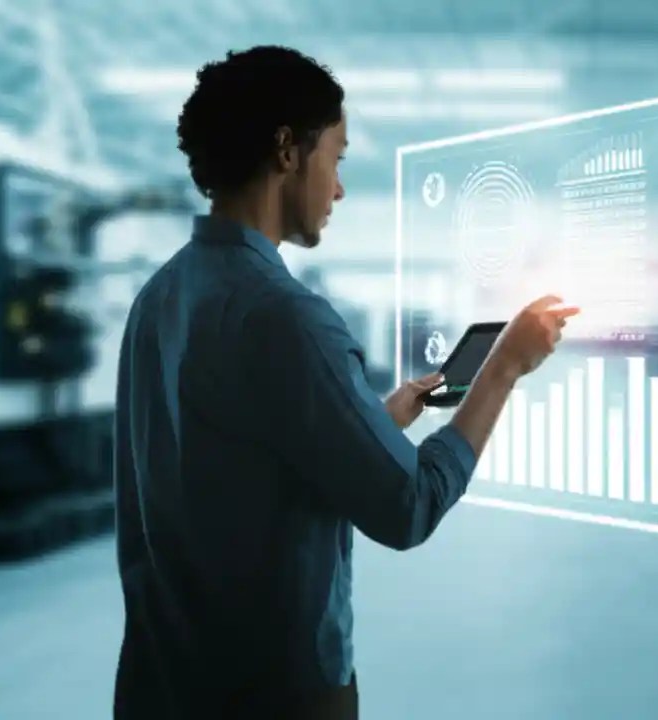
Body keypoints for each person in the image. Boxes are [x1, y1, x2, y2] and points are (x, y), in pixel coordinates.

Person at [112, 45, 579, 719]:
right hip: (275, 694)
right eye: (336, 157)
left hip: (161, 683)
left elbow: (235, 464)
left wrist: (374, 420)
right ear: (285, 151)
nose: (338, 187)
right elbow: (408, 505)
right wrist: (504, 368)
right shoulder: (288, 317)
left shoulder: (158, 297)